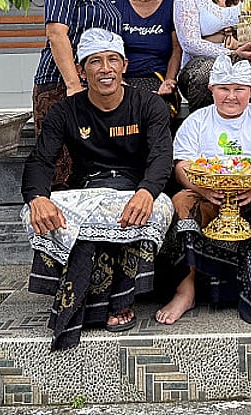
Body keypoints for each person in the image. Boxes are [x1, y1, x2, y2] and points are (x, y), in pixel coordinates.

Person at [21, 29, 175, 350]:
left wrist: (147, 191)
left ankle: (118, 296)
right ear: (81, 70)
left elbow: (162, 157)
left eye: (112, 60)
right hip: (88, 191)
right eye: (95, 62)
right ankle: (95, 299)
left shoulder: (150, 105)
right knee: (32, 212)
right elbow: (41, 161)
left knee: (160, 208)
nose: (105, 68)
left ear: (124, 66)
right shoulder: (65, 111)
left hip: (134, 192)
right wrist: (37, 198)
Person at [155, 54, 251, 326]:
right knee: (181, 203)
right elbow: (181, 166)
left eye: (239, 90)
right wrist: (202, 188)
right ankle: (185, 291)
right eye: (224, 88)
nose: (231, 96)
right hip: (208, 194)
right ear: (211, 90)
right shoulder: (197, 121)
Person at [32, 0, 122, 139]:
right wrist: (73, 85)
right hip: (61, 85)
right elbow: (56, 34)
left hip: (94, 86)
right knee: (60, 159)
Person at [113, 0, 181, 99]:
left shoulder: (172, 3)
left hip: (160, 80)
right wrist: (119, 81)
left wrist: (170, 80)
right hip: (122, 81)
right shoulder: (115, 5)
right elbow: (108, 49)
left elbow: (177, 49)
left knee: (156, 112)